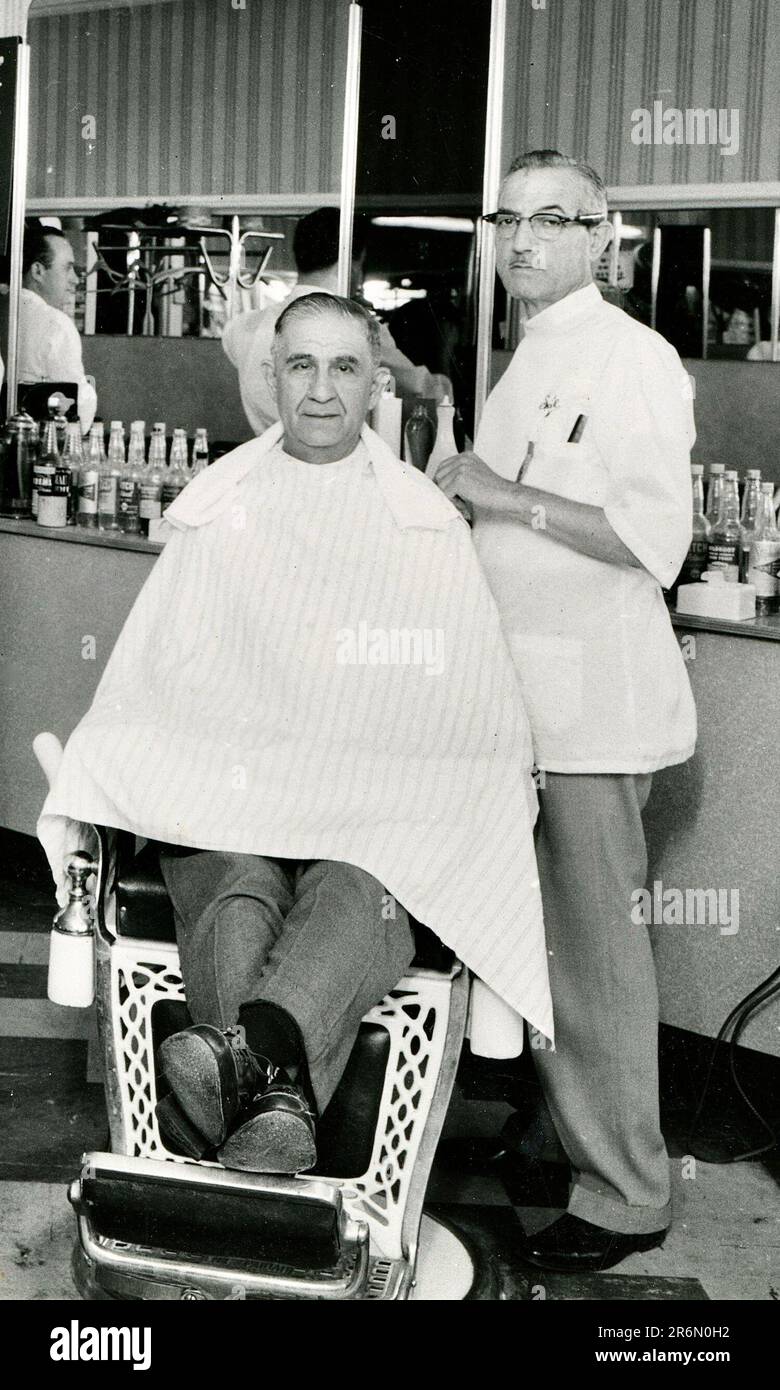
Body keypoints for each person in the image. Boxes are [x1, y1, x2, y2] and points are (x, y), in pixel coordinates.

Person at [39, 292, 552, 1176]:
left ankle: (245, 1070)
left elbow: (470, 711)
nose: (321, 390)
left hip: (367, 814)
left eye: (344, 367)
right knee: (235, 878)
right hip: (232, 802)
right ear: (271, 377)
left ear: (375, 383)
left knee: (370, 881)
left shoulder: (423, 525)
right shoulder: (217, 509)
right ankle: (275, 1099)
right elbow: (155, 688)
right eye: (301, 366)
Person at [433, 150, 697, 1272]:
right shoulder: (523, 358)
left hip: (593, 714)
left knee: (593, 960)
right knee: (534, 952)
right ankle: (560, 1141)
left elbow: (652, 539)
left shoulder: (635, 359)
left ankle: (631, 1191)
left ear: (606, 237)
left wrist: (499, 495)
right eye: (511, 217)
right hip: (525, 708)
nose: (527, 239)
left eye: (556, 219)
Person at [222, 207, 451, 436]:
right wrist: (444, 385)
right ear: (351, 263)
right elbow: (422, 387)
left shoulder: (241, 329)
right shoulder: (361, 328)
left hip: (267, 463)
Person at [19, 222, 97, 433]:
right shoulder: (56, 324)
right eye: (67, 268)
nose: (75, 279)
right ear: (38, 271)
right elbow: (78, 411)